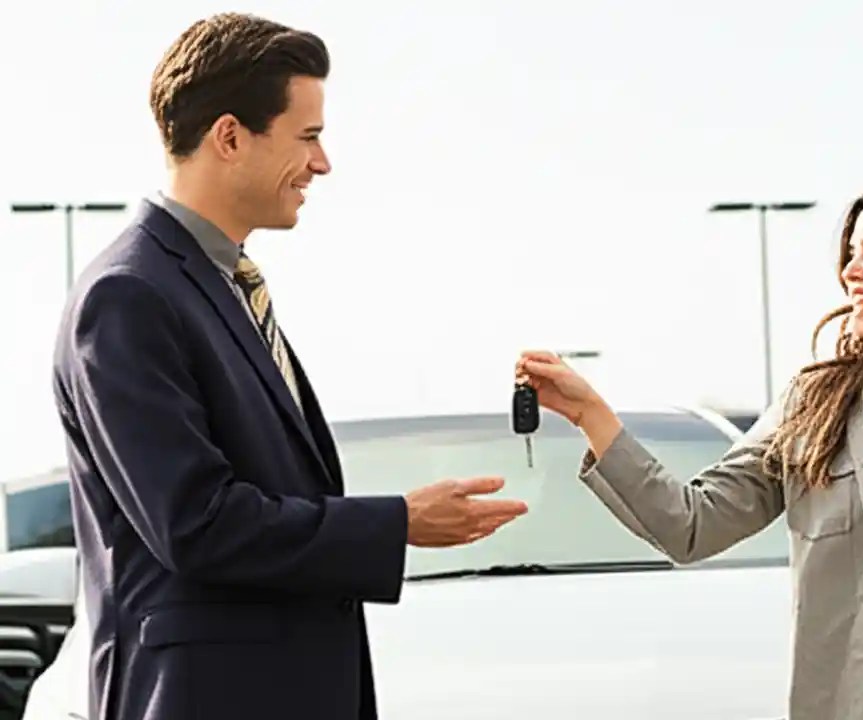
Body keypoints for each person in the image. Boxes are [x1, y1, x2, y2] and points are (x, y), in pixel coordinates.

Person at [50, 13, 528, 720]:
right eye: (308, 137)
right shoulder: (128, 296)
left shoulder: (216, 286)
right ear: (231, 137)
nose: (323, 162)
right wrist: (397, 524)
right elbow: (197, 523)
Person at [517, 184, 863, 720]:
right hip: (842, 693)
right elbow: (692, 525)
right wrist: (592, 416)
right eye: (851, 253)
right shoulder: (816, 403)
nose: (850, 273)